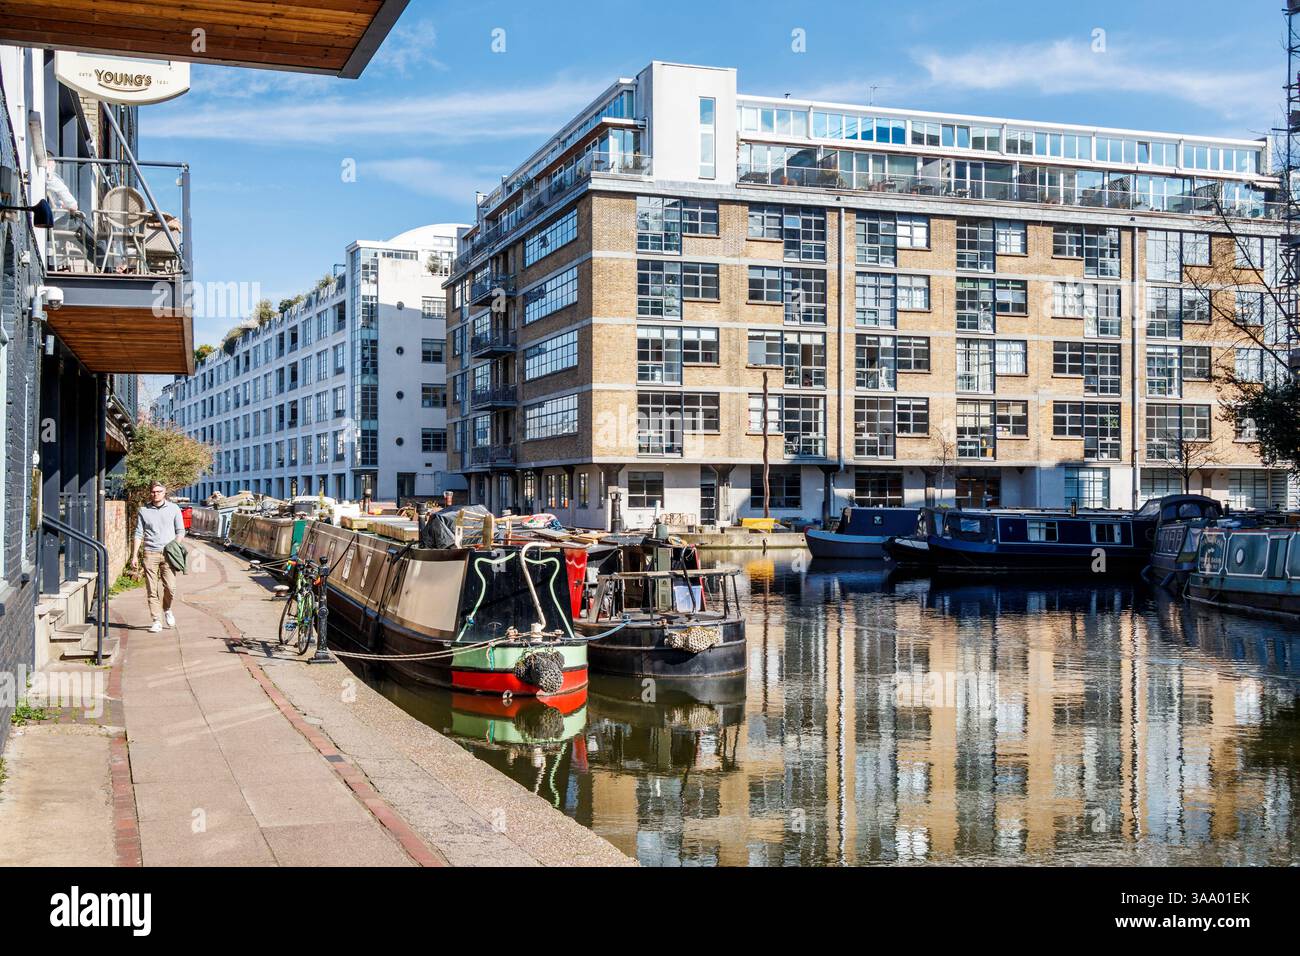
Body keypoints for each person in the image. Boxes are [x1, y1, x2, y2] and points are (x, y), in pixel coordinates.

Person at [130, 481, 185, 633]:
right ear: (150, 493)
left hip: (168, 554)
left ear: (164, 492)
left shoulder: (174, 509)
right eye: (153, 492)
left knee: (171, 587)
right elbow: (138, 534)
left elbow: (180, 531)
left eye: (159, 491)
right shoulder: (143, 510)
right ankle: (156, 620)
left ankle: (167, 609)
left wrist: (174, 546)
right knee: (151, 589)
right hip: (150, 553)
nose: (156, 494)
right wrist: (134, 555)